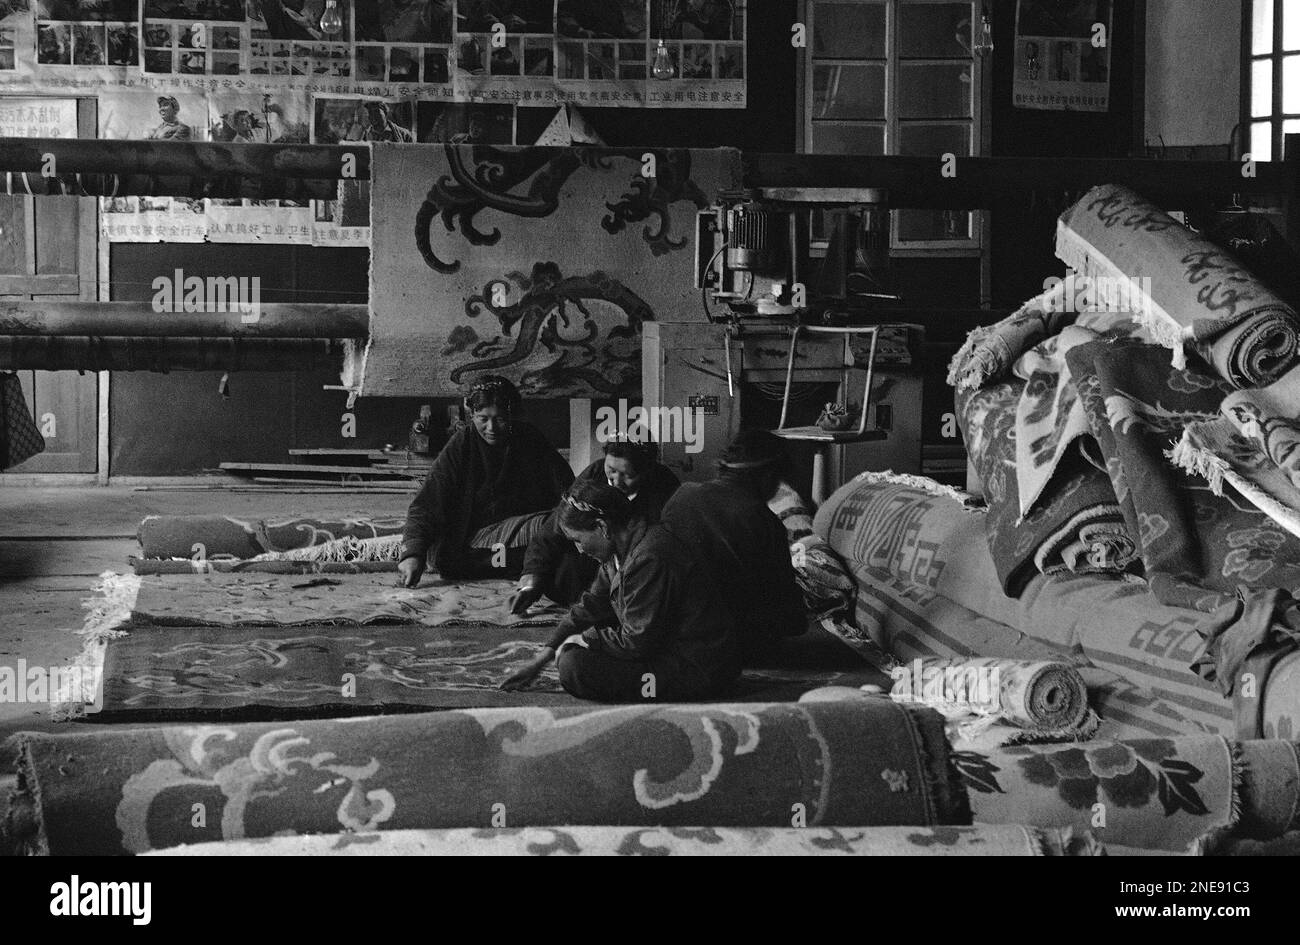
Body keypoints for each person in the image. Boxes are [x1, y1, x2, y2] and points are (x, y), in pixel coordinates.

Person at [501, 480, 739, 701]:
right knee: (572, 656)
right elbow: (591, 605)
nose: (579, 550)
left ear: (602, 527)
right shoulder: (619, 551)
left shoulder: (650, 556)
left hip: (696, 666)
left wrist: (583, 639)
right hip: (667, 650)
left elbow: (636, 642)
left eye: (578, 540)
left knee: (575, 668)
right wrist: (543, 657)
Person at [398, 375, 573, 587]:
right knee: (550, 546)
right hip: (470, 544)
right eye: (483, 418)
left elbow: (567, 490)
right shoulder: (463, 444)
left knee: (564, 524)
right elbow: (427, 504)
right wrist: (413, 554)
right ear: (472, 415)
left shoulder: (529, 438)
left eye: (500, 419)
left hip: (519, 536)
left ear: (512, 415)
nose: (491, 428)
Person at [659, 430, 807, 660]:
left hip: (670, 634)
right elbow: (790, 614)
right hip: (732, 645)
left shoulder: (682, 495)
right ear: (767, 476)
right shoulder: (762, 520)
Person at [509, 437, 680, 614]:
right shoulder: (596, 472)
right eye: (611, 470)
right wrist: (531, 581)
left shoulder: (664, 486)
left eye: (628, 475)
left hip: (635, 564)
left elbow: (661, 549)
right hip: (595, 558)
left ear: (646, 471)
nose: (616, 481)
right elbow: (554, 528)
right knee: (564, 571)